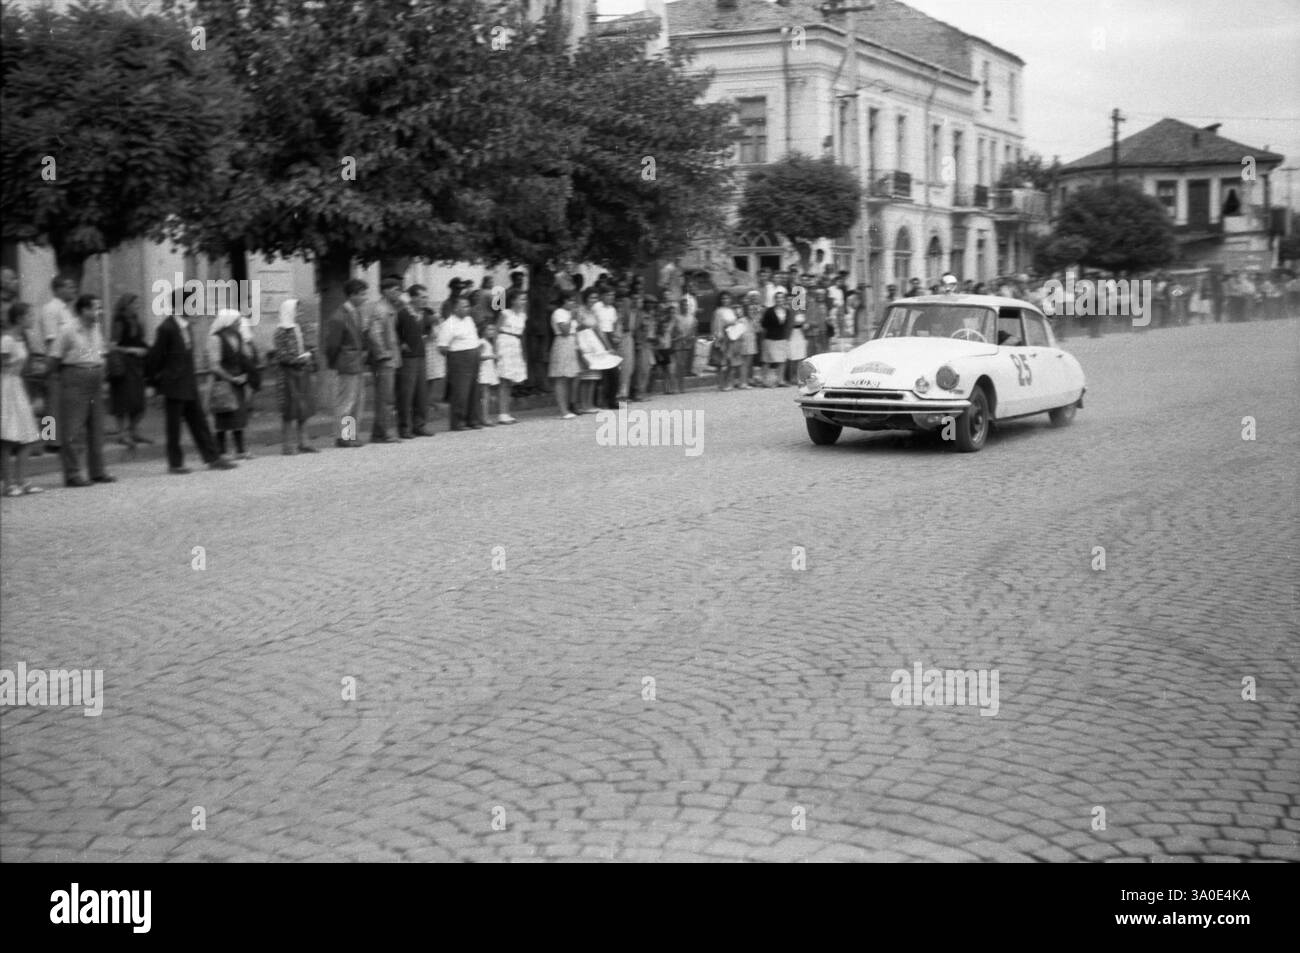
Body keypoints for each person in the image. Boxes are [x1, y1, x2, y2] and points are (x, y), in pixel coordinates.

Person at [144, 295, 236, 475]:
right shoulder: (166, 328)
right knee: (174, 427)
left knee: (199, 422)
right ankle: (175, 463)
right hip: (173, 384)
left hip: (188, 383)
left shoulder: (186, 326)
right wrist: (151, 383)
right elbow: (155, 357)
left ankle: (213, 458)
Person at [50, 295, 114, 487]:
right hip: (75, 377)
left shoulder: (95, 329)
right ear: (83, 310)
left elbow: (97, 353)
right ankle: (73, 473)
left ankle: (97, 471)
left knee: (96, 426)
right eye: (94, 308)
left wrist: (101, 370)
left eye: (98, 308)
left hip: (94, 377)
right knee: (73, 427)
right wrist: (59, 377)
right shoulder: (68, 329)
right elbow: (55, 356)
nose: (98, 312)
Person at [1, 303, 43, 496]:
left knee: (27, 437)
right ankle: (8, 484)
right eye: (29, 316)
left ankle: (22, 481)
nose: (32, 319)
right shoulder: (7, 340)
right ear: (19, 318)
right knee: (8, 438)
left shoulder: (21, 339)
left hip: (17, 386)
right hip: (6, 387)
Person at [207, 308, 257, 460]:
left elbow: (243, 357)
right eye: (236, 321)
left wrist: (244, 374)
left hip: (238, 380)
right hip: (223, 382)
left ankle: (240, 449)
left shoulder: (237, 336)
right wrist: (231, 378)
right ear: (227, 322)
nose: (239, 323)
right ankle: (221, 451)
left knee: (239, 415)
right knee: (223, 415)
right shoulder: (216, 338)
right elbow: (214, 365)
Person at [324, 278, 369, 448]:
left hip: (356, 363)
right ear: (352, 295)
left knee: (357, 401)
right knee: (346, 402)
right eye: (362, 294)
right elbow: (332, 345)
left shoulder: (356, 313)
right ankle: (343, 436)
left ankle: (351, 434)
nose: (365, 297)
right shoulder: (339, 316)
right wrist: (334, 362)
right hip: (346, 363)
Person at [34, 276, 76, 453]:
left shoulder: (67, 310)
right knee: (52, 404)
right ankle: (50, 441)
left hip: (67, 361)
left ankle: (59, 439)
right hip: (56, 361)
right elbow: (51, 339)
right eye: (69, 286)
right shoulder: (51, 309)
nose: (73, 289)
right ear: (57, 289)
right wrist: (54, 364)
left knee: (61, 404)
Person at [272, 298, 318, 455]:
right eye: (297, 310)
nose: (300, 313)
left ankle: (304, 441)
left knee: (303, 408)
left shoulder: (299, 328)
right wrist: (298, 359)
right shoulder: (281, 331)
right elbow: (281, 355)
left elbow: (307, 346)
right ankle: (287, 444)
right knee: (289, 410)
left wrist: (309, 357)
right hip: (288, 374)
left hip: (302, 372)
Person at [107, 294, 151, 448]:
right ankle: (121, 434)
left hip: (137, 365)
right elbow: (113, 345)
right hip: (124, 364)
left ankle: (134, 431)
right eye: (135, 303)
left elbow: (139, 339)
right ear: (126, 305)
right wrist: (131, 350)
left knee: (137, 400)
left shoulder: (137, 320)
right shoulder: (120, 321)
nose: (137, 306)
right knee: (123, 400)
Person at [364, 276, 402, 443]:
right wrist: (383, 353)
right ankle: (347, 436)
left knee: (383, 398)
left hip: (357, 363)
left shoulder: (387, 308)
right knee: (349, 404)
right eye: (395, 290)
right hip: (352, 364)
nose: (399, 294)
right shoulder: (380, 309)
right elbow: (374, 333)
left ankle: (376, 433)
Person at [437, 294, 483, 431]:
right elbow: (442, 347)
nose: (467, 309)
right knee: (460, 391)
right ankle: (458, 421)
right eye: (464, 306)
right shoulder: (448, 324)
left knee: (474, 390)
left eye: (468, 306)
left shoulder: (469, 320)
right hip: (459, 358)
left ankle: (473, 419)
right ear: (455, 308)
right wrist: (455, 358)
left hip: (473, 356)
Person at [395, 285, 431, 438]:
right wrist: (401, 343)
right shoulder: (403, 313)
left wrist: (426, 337)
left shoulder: (423, 314)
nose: (425, 300)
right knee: (406, 394)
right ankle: (404, 428)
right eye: (422, 297)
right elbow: (394, 332)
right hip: (408, 359)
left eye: (426, 297)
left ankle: (419, 425)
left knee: (421, 393)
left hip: (421, 356)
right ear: (413, 298)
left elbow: (428, 330)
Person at [495, 290, 527, 424]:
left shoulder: (523, 315)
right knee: (504, 379)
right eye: (520, 299)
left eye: (524, 299)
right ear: (513, 300)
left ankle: (506, 412)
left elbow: (521, 334)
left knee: (509, 381)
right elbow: (497, 331)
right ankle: (502, 413)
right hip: (504, 343)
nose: (523, 302)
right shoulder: (505, 313)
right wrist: (496, 351)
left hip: (515, 344)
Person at [548, 291, 581, 418]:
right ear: (564, 301)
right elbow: (565, 331)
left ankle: (568, 407)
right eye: (570, 300)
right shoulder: (559, 313)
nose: (573, 303)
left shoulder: (569, 313)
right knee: (561, 377)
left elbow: (575, 330)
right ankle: (563, 410)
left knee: (570, 376)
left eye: (574, 300)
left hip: (572, 343)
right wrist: (572, 317)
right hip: (563, 342)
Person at [574, 289, 603, 412]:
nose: (594, 300)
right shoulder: (579, 311)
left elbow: (597, 329)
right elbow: (575, 328)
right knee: (585, 377)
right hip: (583, 342)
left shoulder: (593, 312)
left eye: (596, 298)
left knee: (593, 376)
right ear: (586, 298)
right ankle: (583, 404)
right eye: (591, 297)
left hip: (594, 344)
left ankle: (590, 404)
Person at [593, 287, 620, 409]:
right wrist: (607, 346)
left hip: (610, 336)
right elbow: (597, 328)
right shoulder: (596, 307)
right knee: (603, 373)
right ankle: (600, 400)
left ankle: (612, 399)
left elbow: (614, 325)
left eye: (613, 295)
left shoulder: (612, 309)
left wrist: (615, 339)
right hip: (599, 338)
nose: (611, 298)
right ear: (602, 296)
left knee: (614, 372)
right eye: (609, 295)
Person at [761, 291, 792, 387]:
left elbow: (786, 325)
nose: (779, 300)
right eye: (777, 298)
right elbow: (763, 324)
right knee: (768, 360)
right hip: (770, 338)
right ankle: (765, 381)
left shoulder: (787, 311)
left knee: (782, 360)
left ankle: (780, 380)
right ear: (775, 299)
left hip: (781, 338)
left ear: (784, 299)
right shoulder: (769, 311)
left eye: (781, 298)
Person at [712, 291, 741, 390]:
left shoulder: (732, 310)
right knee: (721, 362)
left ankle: (729, 382)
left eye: (727, 298)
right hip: (723, 337)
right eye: (723, 298)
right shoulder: (718, 311)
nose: (725, 300)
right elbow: (716, 326)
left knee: (730, 361)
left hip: (732, 337)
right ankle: (721, 383)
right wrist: (718, 339)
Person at [478, 322, 501, 427]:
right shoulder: (482, 343)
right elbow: (479, 357)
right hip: (484, 371)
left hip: (488, 370)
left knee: (487, 395)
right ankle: (484, 417)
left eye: (493, 329)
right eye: (489, 329)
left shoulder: (488, 343)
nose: (492, 332)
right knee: (485, 395)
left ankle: (485, 416)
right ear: (483, 331)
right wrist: (491, 356)